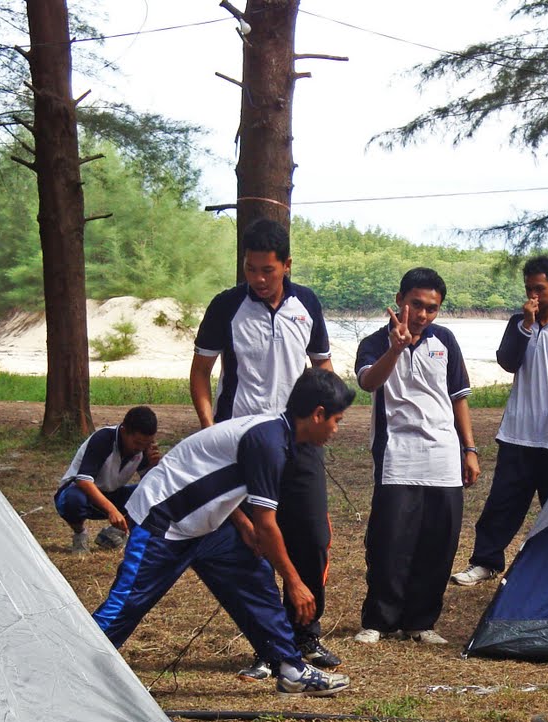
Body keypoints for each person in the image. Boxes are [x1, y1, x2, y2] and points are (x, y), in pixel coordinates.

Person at [91, 369, 354, 697]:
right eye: (337, 420)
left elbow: (222, 479)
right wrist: (295, 581)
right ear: (317, 415)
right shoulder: (270, 442)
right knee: (127, 604)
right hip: (164, 520)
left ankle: (290, 669)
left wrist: (241, 525)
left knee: (255, 580)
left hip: (207, 525)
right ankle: (76, 666)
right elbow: (267, 524)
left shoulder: (279, 435)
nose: (336, 429)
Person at [189, 218, 339, 678]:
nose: (257, 278)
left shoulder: (307, 303)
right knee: (252, 543)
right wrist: (211, 431)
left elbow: (323, 368)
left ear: (286, 265)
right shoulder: (226, 307)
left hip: (299, 442)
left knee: (310, 538)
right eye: (251, 269)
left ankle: (305, 635)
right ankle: (266, 643)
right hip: (243, 443)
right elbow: (199, 375)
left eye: (267, 270)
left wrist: (326, 409)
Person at [354, 268, 479, 644]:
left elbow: (458, 396)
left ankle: (421, 622)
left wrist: (469, 449)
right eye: (416, 304)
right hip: (397, 454)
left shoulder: (445, 341)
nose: (423, 314)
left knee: (438, 543)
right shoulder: (376, 342)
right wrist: (396, 348)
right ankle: (379, 620)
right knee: (388, 542)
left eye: (432, 308)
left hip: (443, 455)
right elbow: (368, 382)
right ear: (400, 300)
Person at [451, 255, 548, 586]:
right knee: (502, 502)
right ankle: (485, 562)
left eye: (540, 289)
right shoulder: (519, 322)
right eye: (529, 289)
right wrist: (526, 325)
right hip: (518, 432)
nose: (534, 296)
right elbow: (507, 361)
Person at [54, 405, 161, 554]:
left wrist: (153, 467)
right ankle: (80, 534)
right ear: (124, 431)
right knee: (73, 500)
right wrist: (112, 510)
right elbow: (83, 480)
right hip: (80, 492)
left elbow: (149, 483)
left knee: (152, 493)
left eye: (147, 444)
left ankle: (113, 533)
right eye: (137, 443)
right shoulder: (103, 439)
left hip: (112, 493)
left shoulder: (143, 450)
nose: (141, 448)